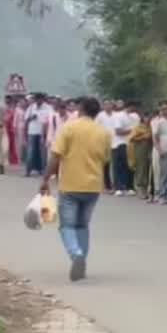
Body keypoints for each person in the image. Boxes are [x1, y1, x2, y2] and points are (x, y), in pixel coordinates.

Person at [41, 97, 111, 281]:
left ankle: (76, 254)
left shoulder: (69, 128)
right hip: (93, 186)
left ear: (80, 109)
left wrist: (46, 179)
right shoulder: (103, 132)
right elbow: (105, 159)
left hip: (70, 185)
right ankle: (82, 261)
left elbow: (56, 156)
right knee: (82, 225)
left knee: (66, 225)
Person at [24, 93, 52, 176]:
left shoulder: (48, 108)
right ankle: (28, 170)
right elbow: (26, 119)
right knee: (31, 151)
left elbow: (50, 120)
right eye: (36, 99)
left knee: (42, 152)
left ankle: (42, 169)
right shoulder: (31, 107)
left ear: (42, 99)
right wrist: (31, 118)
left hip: (42, 132)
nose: (38, 101)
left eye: (40, 99)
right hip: (32, 131)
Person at [129, 109, 153, 199]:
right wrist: (143, 137)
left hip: (149, 150)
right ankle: (140, 188)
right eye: (146, 117)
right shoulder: (138, 127)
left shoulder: (151, 127)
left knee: (148, 169)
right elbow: (131, 138)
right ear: (143, 118)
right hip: (140, 150)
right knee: (141, 169)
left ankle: (147, 189)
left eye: (149, 117)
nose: (148, 119)